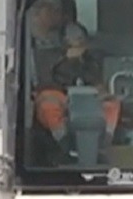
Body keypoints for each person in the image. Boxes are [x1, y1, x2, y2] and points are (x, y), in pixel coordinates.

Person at [34, 22, 120, 151]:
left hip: (89, 97)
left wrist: (81, 62)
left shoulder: (91, 59)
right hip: (60, 95)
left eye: (80, 39)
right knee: (48, 105)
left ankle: (104, 140)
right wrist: (66, 60)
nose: (77, 43)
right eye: (72, 39)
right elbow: (46, 81)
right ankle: (64, 142)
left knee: (112, 103)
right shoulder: (47, 57)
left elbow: (96, 82)